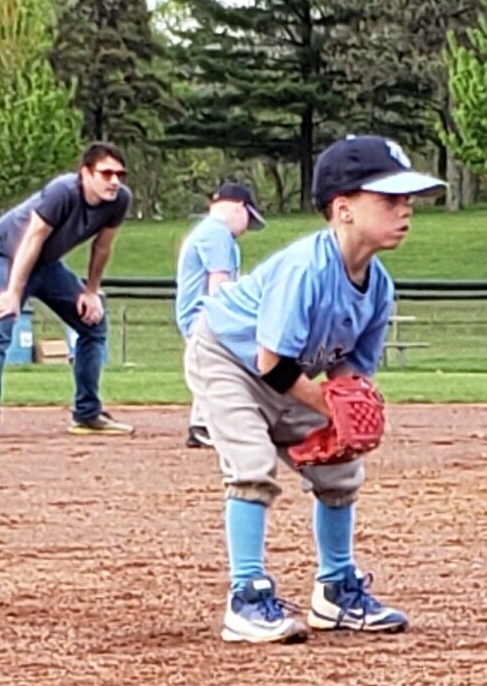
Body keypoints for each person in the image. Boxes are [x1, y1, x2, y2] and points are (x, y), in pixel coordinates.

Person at [184, 134, 444, 645]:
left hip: (285, 371)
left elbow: (347, 368)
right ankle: (247, 596)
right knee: (252, 464)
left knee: (340, 469)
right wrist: (328, 406)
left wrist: (348, 409)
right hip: (227, 358)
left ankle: (336, 590)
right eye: (390, 199)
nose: (405, 210)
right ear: (343, 209)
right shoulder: (305, 267)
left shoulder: (380, 285)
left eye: (407, 200)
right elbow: (270, 363)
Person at [0, 143, 134, 439]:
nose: (114, 181)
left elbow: (103, 246)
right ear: (85, 173)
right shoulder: (62, 191)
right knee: (0, 323)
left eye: (119, 174)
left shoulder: (119, 200)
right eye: (106, 173)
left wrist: (91, 291)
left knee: (93, 325)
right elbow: (32, 238)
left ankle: (87, 414)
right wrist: (13, 292)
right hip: (5, 254)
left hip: (46, 263)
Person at [175, 181, 266, 450]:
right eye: (248, 219)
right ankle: (206, 425)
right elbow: (219, 287)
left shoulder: (208, 231)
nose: (246, 228)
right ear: (240, 207)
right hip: (206, 315)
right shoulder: (217, 233)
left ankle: (203, 423)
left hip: (197, 315)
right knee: (225, 365)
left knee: (213, 366)